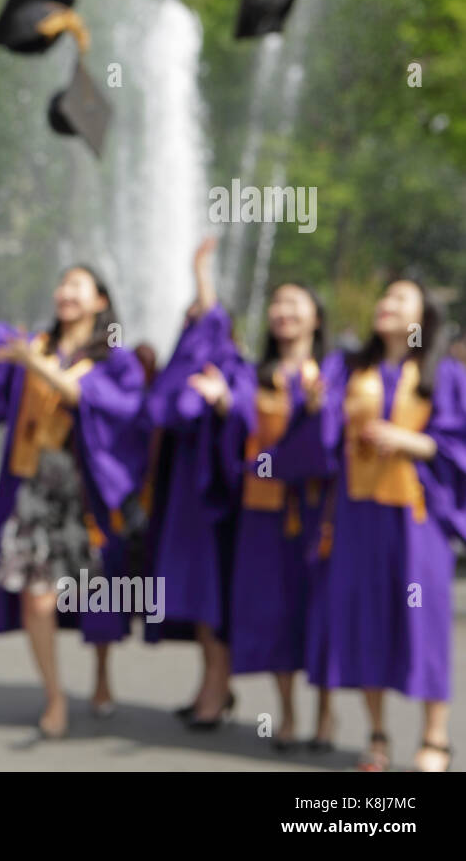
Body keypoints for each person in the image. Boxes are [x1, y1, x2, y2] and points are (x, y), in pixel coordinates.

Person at [0, 259, 148, 739]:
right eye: (62, 284)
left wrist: (39, 368)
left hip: (87, 488)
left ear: (99, 299)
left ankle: (100, 672)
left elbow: (101, 402)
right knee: (38, 599)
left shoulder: (112, 353)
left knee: (99, 593)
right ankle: (54, 696)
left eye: (77, 285)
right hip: (34, 489)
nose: (65, 293)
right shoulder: (37, 345)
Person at [308, 276, 463, 772]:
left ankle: (435, 736)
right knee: (367, 617)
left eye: (400, 298)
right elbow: (326, 433)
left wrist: (406, 439)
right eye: (385, 296)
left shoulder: (446, 373)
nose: (386, 305)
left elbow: (456, 442)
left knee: (424, 620)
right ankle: (376, 734)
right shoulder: (351, 368)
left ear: (423, 318)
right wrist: (318, 404)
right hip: (359, 514)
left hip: (417, 516)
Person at [195, 258, 336, 752]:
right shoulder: (254, 376)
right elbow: (237, 435)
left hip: (313, 511)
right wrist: (221, 405)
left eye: (294, 303)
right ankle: (289, 711)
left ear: (316, 317)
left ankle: (325, 713)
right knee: (276, 611)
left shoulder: (330, 374)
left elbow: (332, 446)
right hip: (261, 511)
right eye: (277, 303)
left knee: (315, 610)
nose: (283, 312)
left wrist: (319, 413)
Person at [144, 239, 253, 729]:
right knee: (197, 597)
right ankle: (212, 683)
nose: (194, 320)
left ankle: (216, 687)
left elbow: (242, 419)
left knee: (213, 596)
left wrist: (200, 273)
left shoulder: (230, 367)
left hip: (215, 500)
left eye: (203, 316)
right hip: (184, 499)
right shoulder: (187, 365)